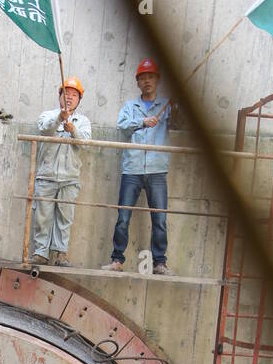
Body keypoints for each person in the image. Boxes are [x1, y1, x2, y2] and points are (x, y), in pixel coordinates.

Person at [102, 58, 179, 275]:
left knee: (160, 219)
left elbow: (179, 125)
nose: (147, 81)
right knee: (123, 217)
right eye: (143, 78)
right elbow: (122, 127)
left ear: (157, 80)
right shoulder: (130, 106)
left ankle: (160, 263)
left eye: (151, 77)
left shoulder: (166, 106)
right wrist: (142, 122)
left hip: (157, 169)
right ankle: (117, 260)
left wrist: (178, 106)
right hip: (132, 168)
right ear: (138, 83)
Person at [31, 76, 92, 267]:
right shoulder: (47, 115)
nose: (70, 98)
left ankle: (59, 254)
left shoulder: (83, 121)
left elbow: (86, 143)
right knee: (42, 217)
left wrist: (73, 129)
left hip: (69, 178)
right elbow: (44, 129)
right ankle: (41, 253)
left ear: (79, 99)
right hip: (47, 176)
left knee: (65, 219)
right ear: (60, 96)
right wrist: (60, 118)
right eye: (66, 93)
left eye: (74, 95)